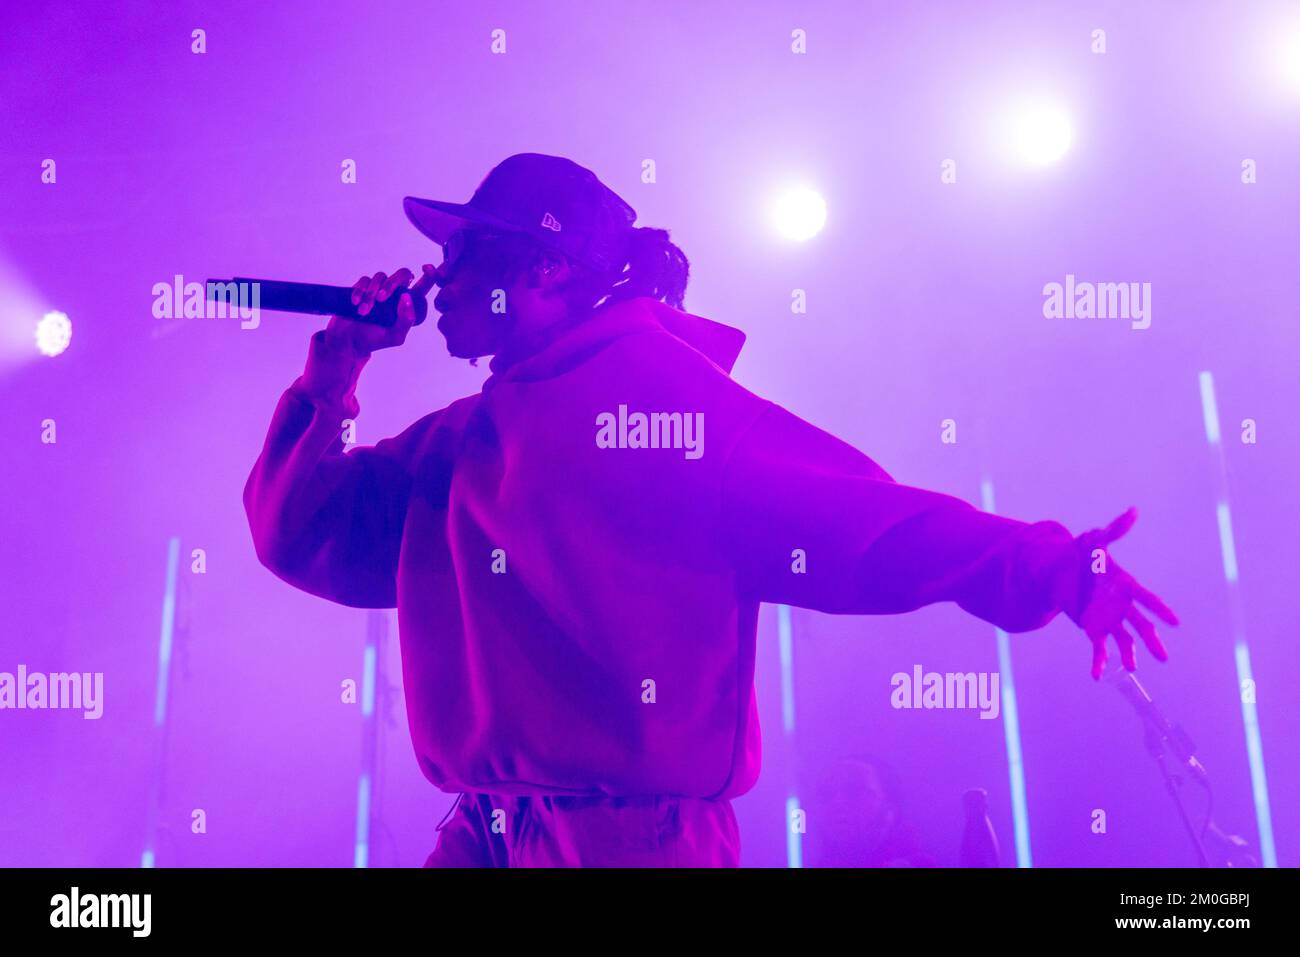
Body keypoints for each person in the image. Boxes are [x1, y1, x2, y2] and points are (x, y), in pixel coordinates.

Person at [243, 152, 1179, 867]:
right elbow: (297, 530)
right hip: (486, 831)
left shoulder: (669, 405)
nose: (440, 277)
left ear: (548, 272)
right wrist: (337, 367)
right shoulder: (455, 442)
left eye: (467, 252)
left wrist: (1054, 565)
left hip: (629, 844)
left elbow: (864, 518)